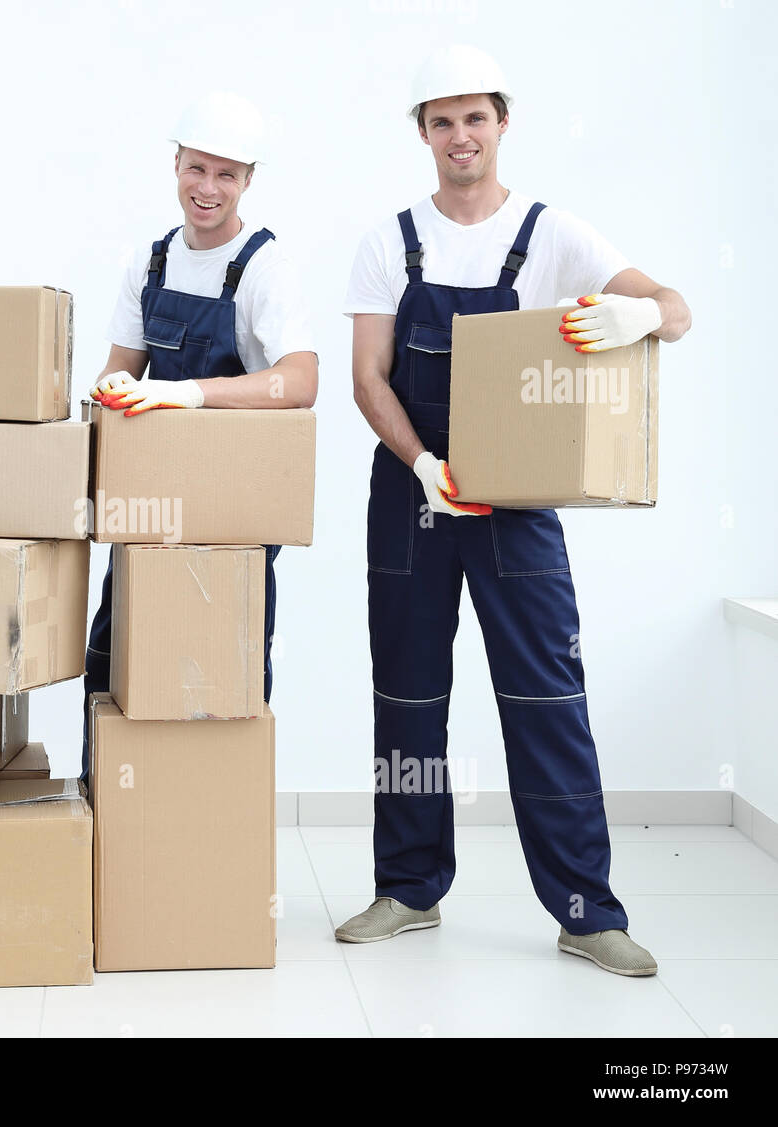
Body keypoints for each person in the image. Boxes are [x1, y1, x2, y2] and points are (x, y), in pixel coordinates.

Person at [339, 45, 691, 976]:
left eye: (475, 118)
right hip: (413, 497)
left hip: (520, 503)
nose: (460, 136)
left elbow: (678, 306)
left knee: (547, 701)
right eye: (442, 120)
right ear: (423, 131)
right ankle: (408, 888)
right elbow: (368, 377)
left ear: (503, 123)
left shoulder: (556, 233)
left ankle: (586, 909)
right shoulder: (388, 241)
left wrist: (639, 316)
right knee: (407, 697)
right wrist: (421, 464)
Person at [82, 91, 318, 781]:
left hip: (233, 515)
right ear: (176, 164)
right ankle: (114, 819)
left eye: (226, 175)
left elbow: (299, 381)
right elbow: (118, 371)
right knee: (114, 663)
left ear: (248, 181)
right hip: (150, 510)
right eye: (197, 169)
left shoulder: (264, 266)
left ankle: (215, 820)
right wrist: (103, 400)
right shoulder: (149, 263)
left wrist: (188, 394)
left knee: (222, 679)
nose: (208, 189)